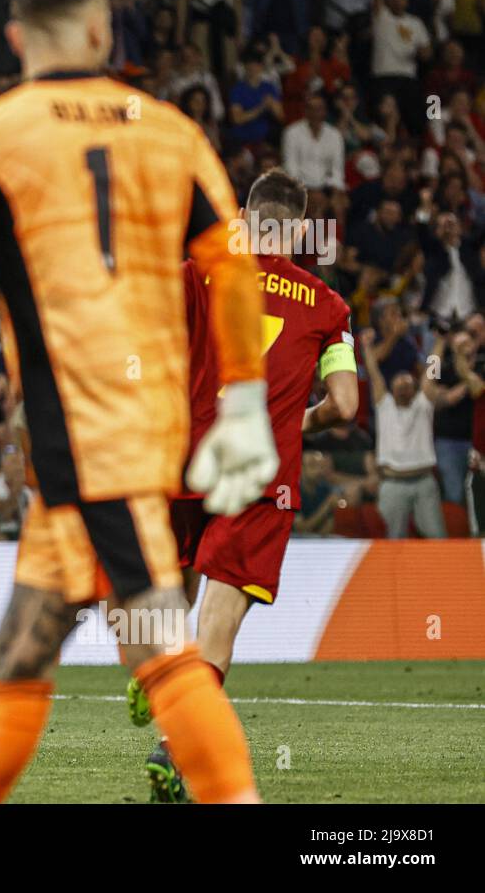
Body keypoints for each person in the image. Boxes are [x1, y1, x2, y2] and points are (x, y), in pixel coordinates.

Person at [0, 0, 273, 804]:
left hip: (84, 433)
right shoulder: (171, 130)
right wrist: (246, 398)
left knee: (159, 642)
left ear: (13, 37)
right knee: (23, 651)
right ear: (100, 28)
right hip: (128, 435)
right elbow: (233, 271)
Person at [131, 168, 359, 802]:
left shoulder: (199, 271)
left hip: (189, 461)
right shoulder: (329, 307)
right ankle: (174, 748)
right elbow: (345, 403)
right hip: (261, 476)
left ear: (245, 215)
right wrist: (295, 419)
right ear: (298, 228)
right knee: (221, 621)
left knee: (171, 595)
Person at [361, 328, 448, 538]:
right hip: (392, 482)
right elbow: (373, 373)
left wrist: (440, 343)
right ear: (391, 389)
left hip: (423, 481)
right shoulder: (385, 406)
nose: (402, 388)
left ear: (415, 388)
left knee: (438, 540)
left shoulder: (422, 405)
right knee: (392, 542)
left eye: (407, 385)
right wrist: (365, 347)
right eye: (399, 385)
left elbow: (432, 374)